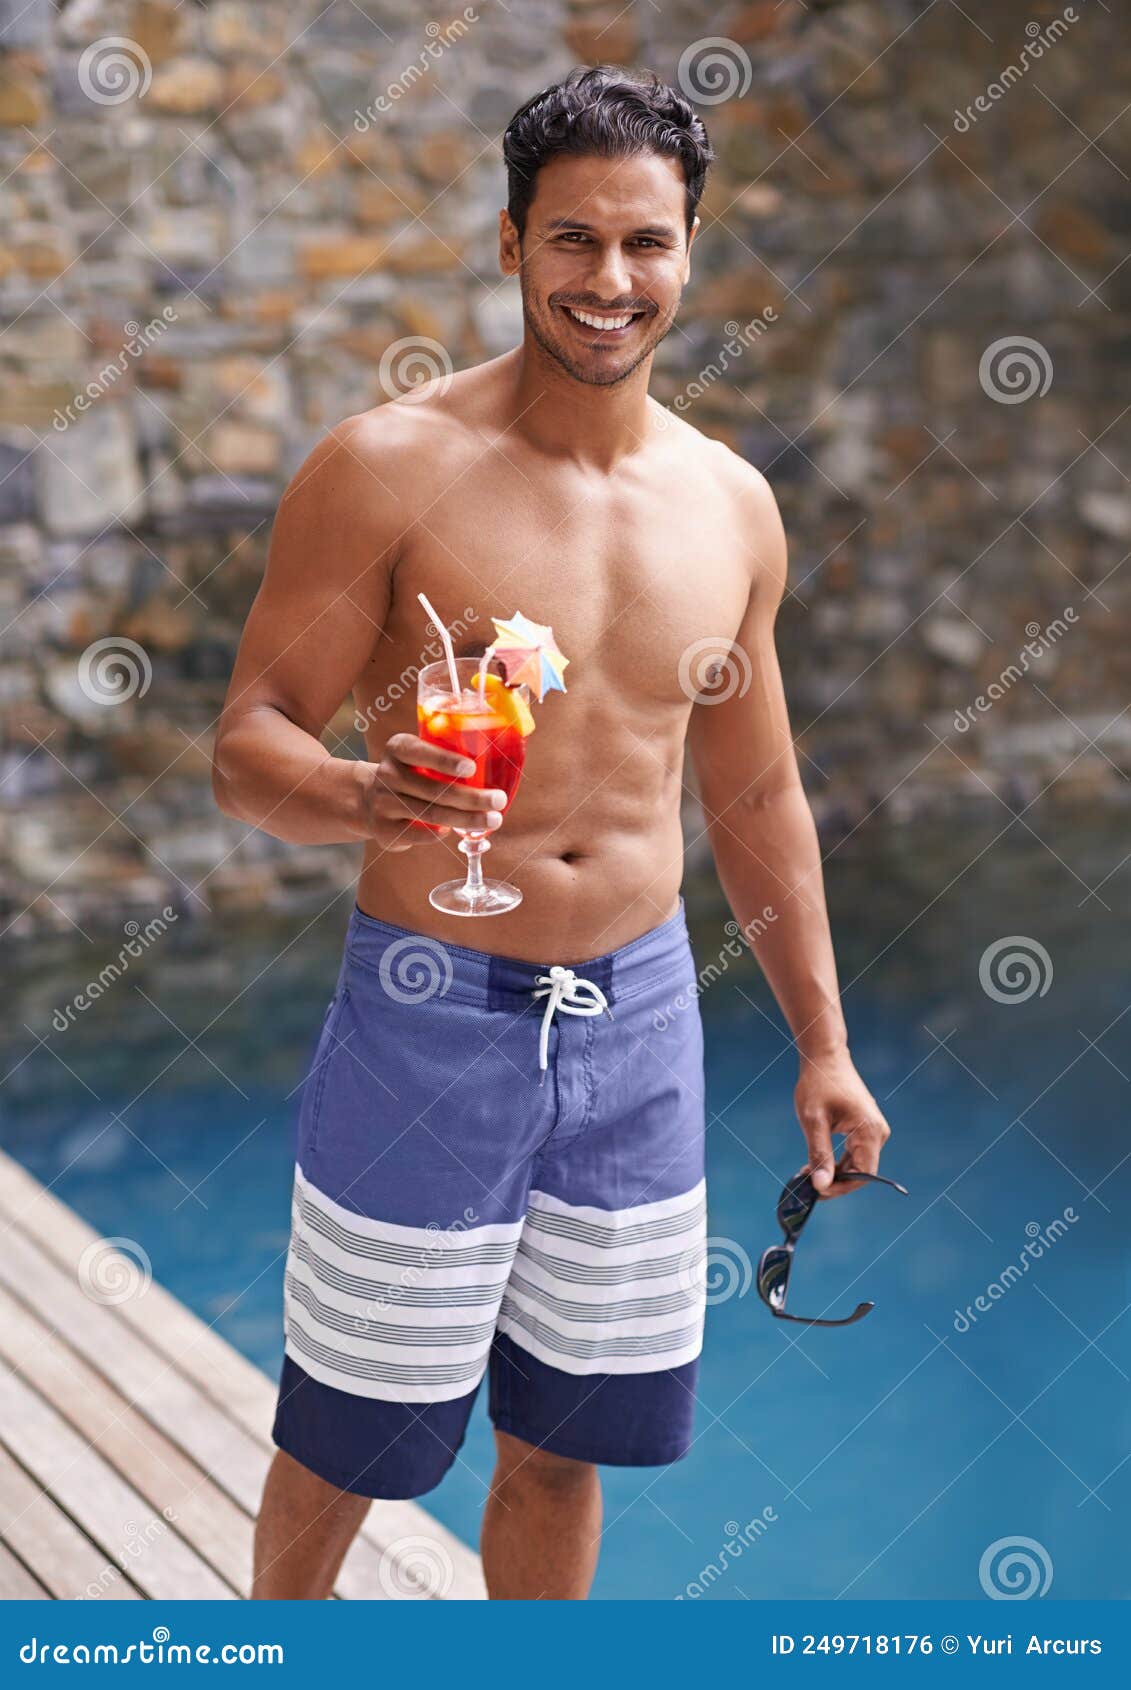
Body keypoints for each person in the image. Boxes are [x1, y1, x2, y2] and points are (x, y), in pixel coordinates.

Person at [213, 64, 892, 1602]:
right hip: (429, 1005)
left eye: (644, 243)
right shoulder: (385, 470)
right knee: (349, 1443)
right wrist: (360, 794)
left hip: (641, 1019)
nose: (609, 280)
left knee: (564, 1443)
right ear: (511, 242)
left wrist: (825, 1043)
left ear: (691, 249)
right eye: (572, 239)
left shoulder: (729, 508)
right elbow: (248, 746)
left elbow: (756, 794)